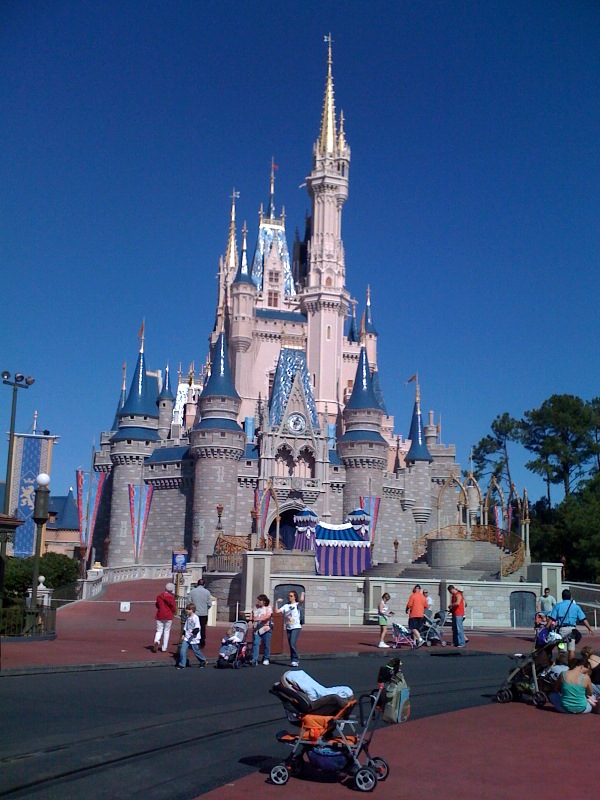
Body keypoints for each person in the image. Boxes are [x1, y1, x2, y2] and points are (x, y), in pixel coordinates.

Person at [547, 589, 593, 658]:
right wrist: (589, 629)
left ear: (562, 597)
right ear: (570, 596)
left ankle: (561, 664)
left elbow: (551, 618)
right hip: (572, 631)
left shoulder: (558, 606)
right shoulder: (576, 607)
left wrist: (546, 627)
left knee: (561, 650)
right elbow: (583, 619)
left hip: (562, 630)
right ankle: (571, 665)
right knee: (571, 649)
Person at [276, 590, 303, 666]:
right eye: (289, 596)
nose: (289, 597)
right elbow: (277, 611)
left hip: (296, 627)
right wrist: (276, 602)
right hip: (288, 627)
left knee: (292, 642)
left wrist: (302, 593)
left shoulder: (297, 605)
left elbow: (301, 601)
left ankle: (295, 658)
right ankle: (293, 660)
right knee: (290, 644)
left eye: (291, 596)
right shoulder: (286, 606)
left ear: (295, 597)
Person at [177, 603, 207, 669]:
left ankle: (203, 660)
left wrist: (193, 633)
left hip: (194, 638)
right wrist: (183, 634)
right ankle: (182, 664)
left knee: (196, 651)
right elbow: (185, 627)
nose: (187, 610)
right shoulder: (188, 618)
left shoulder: (195, 618)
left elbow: (197, 627)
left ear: (192, 610)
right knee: (182, 650)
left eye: (188, 609)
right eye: (187, 609)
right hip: (187, 638)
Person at [187, 577, 212, 649]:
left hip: (194, 613)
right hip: (203, 613)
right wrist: (205, 608)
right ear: (204, 584)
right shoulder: (207, 592)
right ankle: (202, 642)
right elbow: (209, 603)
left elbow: (188, 602)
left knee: (193, 627)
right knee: (202, 627)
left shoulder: (193, 591)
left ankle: (193, 641)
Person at [152, 582, 177, 653]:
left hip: (160, 614)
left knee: (159, 630)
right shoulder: (171, 598)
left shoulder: (160, 596)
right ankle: (164, 647)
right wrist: (173, 612)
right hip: (168, 615)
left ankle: (156, 641)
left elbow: (157, 605)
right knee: (166, 631)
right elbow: (173, 608)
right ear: (172, 590)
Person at [251, 594, 273, 666]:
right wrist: (251, 620)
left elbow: (267, 617)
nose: (259, 601)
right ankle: (254, 659)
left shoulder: (268, 608)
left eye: (260, 600)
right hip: (256, 628)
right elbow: (252, 615)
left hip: (266, 628)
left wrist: (257, 619)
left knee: (266, 644)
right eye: (258, 600)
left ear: (264, 601)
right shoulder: (255, 607)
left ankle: (266, 658)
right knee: (256, 643)